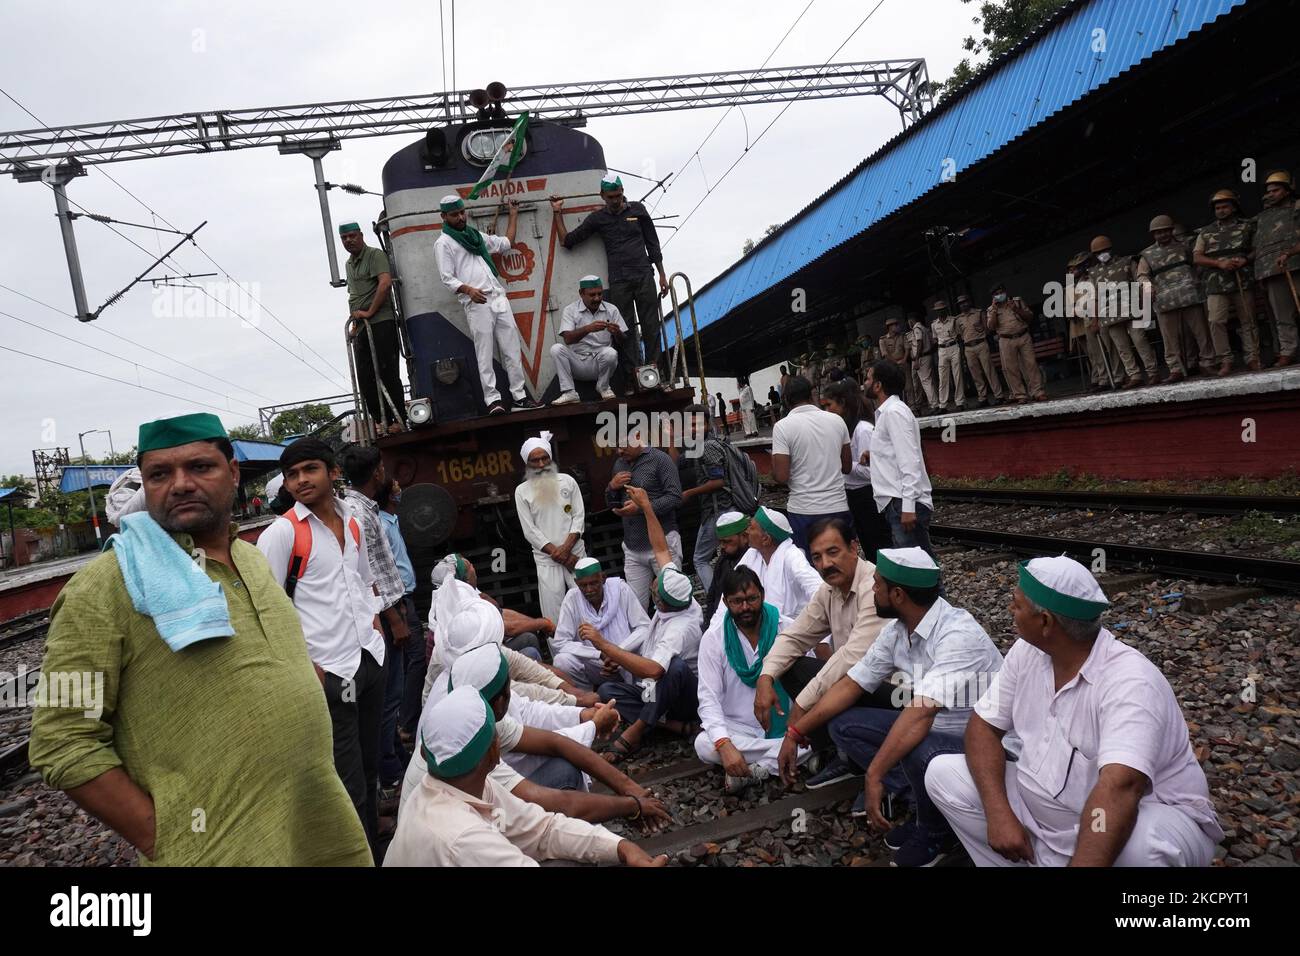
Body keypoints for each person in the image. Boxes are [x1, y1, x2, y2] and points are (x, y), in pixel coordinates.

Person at [31, 414, 372, 866]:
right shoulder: (101, 588)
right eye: (159, 474)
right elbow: (60, 739)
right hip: (220, 850)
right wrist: (166, 841)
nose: (179, 484)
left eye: (199, 467)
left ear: (232, 473)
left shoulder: (251, 560)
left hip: (318, 825)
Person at [927, 556, 1224, 867]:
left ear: (1045, 622)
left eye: (1016, 604)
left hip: (1122, 817)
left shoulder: (1130, 681)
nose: (1011, 611)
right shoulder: (1028, 650)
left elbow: (1120, 788)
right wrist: (998, 813)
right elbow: (983, 727)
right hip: (1043, 813)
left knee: (1144, 845)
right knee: (943, 775)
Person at [779, 548, 1005, 866]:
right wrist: (795, 731)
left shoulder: (958, 635)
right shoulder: (898, 630)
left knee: (915, 740)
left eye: (877, 585)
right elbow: (851, 684)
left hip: (986, 749)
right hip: (936, 734)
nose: (872, 591)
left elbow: (921, 713)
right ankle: (928, 804)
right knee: (844, 725)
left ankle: (936, 831)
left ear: (897, 595)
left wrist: (875, 774)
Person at [256, 437, 391, 851]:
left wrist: (375, 627)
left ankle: (373, 844)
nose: (300, 481)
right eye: (292, 475)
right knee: (346, 779)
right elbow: (265, 611)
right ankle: (357, 854)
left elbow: (364, 579)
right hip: (328, 673)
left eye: (309, 470)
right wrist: (308, 668)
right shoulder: (282, 534)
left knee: (369, 768)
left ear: (333, 473)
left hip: (367, 659)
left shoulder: (351, 520)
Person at [384, 687, 668, 866]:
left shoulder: (461, 785)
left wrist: (620, 846)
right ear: (493, 752)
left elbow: (542, 829)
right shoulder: (462, 838)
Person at [403, 643, 671, 831]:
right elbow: (554, 802)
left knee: (564, 770)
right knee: (562, 846)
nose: (517, 693)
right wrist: (631, 806)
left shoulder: (474, 713)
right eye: (512, 688)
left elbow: (556, 743)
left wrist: (628, 786)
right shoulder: (471, 748)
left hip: (466, 822)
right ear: (501, 701)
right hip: (459, 840)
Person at [750, 518, 884, 780]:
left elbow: (851, 657)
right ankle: (838, 752)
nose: (825, 564)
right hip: (852, 682)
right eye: (817, 557)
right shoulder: (829, 590)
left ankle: (870, 767)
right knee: (792, 667)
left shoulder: (875, 588)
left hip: (891, 689)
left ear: (854, 547)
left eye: (833, 552)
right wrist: (765, 678)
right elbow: (795, 637)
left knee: (835, 683)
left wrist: (801, 706)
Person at [591, 485, 703, 763]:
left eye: (654, 589)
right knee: (607, 691)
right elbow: (661, 547)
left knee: (672, 668)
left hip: (682, 697)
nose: (653, 583)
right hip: (654, 691)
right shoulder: (676, 586)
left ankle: (638, 731)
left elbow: (654, 670)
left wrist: (606, 646)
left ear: (662, 602)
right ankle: (670, 726)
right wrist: (647, 507)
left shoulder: (682, 626)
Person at [338, 444, 413, 794]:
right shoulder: (359, 512)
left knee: (390, 698)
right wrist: (393, 618)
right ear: (378, 472)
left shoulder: (361, 508)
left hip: (388, 609)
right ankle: (389, 775)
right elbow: (367, 575)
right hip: (386, 611)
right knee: (388, 700)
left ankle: (395, 762)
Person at [695, 566, 810, 790]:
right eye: (737, 601)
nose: (746, 607)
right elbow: (708, 699)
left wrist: (796, 728)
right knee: (704, 744)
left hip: (788, 724)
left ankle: (755, 770)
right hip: (739, 728)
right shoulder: (713, 639)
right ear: (726, 603)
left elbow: (812, 681)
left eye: (751, 599)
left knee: (813, 735)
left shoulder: (786, 628)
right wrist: (725, 744)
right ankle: (780, 761)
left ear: (763, 595)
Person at [551, 173, 668, 386]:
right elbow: (567, 241)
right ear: (602, 195)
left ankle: (656, 377)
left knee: (652, 326)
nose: (616, 200)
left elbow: (653, 243)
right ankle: (634, 380)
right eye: (611, 197)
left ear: (623, 193)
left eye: (619, 195)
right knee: (624, 331)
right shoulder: (598, 219)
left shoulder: (638, 210)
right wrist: (557, 212)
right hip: (619, 281)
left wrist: (662, 274)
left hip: (644, 275)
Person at [433, 195, 541, 415]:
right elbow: (447, 278)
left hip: (498, 296)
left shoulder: (475, 236)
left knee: (512, 349)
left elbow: (505, 243)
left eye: (462, 212)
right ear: (444, 217)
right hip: (477, 300)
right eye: (455, 214)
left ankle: (519, 397)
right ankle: (493, 401)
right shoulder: (443, 243)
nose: (461, 217)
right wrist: (469, 290)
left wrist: (512, 215)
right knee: (484, 352)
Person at [770, 374, 852, 556]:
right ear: (811, 394)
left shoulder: (782, 427)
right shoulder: (837, 421)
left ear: (786, 399)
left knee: (811, 570)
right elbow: (847, 467)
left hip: (803, 511)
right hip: (837, 506)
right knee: (842, 564)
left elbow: (781, 476)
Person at [865, 360, 936, 556]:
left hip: (902, 501)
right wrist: (873, 455)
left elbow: (909, 460)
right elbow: (896, 452)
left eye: (868, 378)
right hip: (896, 501)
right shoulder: (887, 412)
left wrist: (908, 507)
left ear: (878, 385)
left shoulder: (894, 412)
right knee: (916, 568)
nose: (865, 383)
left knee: (918, 569)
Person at [341, 222, 406, 434]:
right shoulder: (349, 264)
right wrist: (356, 324)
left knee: (388, 371)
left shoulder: (375, 255)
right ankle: (380, 420)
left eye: (352, 236)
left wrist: (369, 312)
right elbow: (355, 295)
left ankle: (398, 419)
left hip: (382, 322)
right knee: (365, 377)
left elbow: (385, 284)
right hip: (362, 327)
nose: (349, 240)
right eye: (344, 238)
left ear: (360, 235)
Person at [376, 477, 426, 752]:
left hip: (404, 597)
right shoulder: (382, 524)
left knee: (410, 659)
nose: (400, 490)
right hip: (400, 599)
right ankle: (407, 723)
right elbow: (386, 568)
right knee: (415, 658)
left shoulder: (391, 520)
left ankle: (405, 720)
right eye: (395, 487)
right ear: (390, 496)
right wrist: (398, 609)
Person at [513, 434, 586, 622]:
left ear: (551, 458)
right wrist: (560, 555)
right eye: (535, 460)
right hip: (548, 561)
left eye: (544, 458)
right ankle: (560, 652)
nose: (541, 464)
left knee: (589, 606)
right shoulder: (522, 491)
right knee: (555, 616)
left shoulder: (568, 481)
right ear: (527, 463)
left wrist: (567, 550)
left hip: (575, 556)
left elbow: (578, 518)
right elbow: (530, 531)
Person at [1134, 217, 1216, 383]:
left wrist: (1195, 281)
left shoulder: (1186, 246)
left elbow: (1198, 265)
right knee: (1169, 339)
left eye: (1165, 230)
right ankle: (1175, 369)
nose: (1162, 234)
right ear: (1153, 235)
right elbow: (1141, 275)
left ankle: (1208, 363)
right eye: (1158, 232)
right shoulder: (1147, 254)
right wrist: (1148, 287)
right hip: (1164, 300)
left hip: (1189, 296)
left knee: (1201, 333)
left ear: (1171, 230)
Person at [606, 432, 683, 608]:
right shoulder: (619, 464)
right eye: (616, 447)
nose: (619, 451)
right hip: (633, 546)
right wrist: (611, 487)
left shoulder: (660, 459)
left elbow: (675, 497)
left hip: (663, 543)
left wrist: (641, 508)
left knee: (672, 599)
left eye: (623, 445)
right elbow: (611, 500)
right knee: (635, 608)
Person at [551, 557, 652, 690]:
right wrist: (599, 655)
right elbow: (560, 643)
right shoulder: (572, 598)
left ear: (603, 578)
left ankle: (648, 700)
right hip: (598, 664)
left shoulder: (620, 589)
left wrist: (617, 653)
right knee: (561, 661)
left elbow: (644, 627)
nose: (589, 590)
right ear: (576, 583)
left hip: (628, 658)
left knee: (649, 649)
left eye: (593, 583)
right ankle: (589, 702)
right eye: (583, 585)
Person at [1194, 189, 1260, 375]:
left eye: (1225, 206)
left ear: (1233, 207)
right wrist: (1219, 263)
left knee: (1248, 319)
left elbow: (1257, 248)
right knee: (1216, 321)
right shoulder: (1205, 232)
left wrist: (1245, 260)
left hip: (1242, 278)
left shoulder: (1248, 226)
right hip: (1216, 283)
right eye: (1217, 208)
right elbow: (1197, 257)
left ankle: (1252, 357)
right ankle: (1226, 360)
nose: (1221, 210)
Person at [824, 379, 891, 560]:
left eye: (829, 405)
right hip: (855, 496)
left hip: (868, 496)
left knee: (878, 543)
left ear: (843, 404)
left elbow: (872, 472)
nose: (827, 410)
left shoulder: (863, 430)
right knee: (868, 543)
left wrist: (844, 465)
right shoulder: (847, 428)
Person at [1089, 235, 1161, 388]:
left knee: (1140, 341)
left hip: (1132, 309)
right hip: (1109, 315)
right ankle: (1134, 375)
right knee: (1122, 348)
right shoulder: (1094, 273)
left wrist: (1145, 305)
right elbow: (1094, 298)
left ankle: (1153, 372)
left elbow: (1139, 283)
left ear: (1110, 249)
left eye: (1104, 250)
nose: (1102, 254)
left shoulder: (1127, 262)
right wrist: (1095, 321)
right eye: (1098, 253)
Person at [734, 505, 824, 619]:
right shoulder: (752, 554)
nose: (746, 531)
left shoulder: (792, 556)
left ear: (766, 539)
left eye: (751, 528)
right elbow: (733, 586)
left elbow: (818, 589)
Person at [679, 406, 731, 595]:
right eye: (690, 425)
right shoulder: (699, 446)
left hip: (718, 511)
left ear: (708, 424)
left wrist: (690, 493)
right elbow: (676, 461)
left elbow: (718, 481)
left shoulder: (707, 447)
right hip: (720, 510)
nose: (694, 429)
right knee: (729, 555)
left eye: (698, 424)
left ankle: (715, 600)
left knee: (700, 559)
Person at [551, 275, 626, 404]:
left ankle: (603, 387)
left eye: (599, 294)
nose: (597, 298)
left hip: (601, 364)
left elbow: (623, 341)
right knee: (556, 349)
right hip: (578, 363)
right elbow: (568, 339)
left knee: (611, 353)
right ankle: (569, 392)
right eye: (592, 295)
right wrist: (587, 329)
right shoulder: (570, 310)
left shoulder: (611, 309)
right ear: (581, 293)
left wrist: (617, 332)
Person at [1251, 170, 1300, 367]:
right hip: (1273, 271)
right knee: (1282, 315)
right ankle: (1288, 351)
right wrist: (1260, 274)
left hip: (1296, 265)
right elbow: (1259, 247)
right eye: (1269, 191)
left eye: (1276, 190)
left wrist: (1290, 253)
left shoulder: (1297, 208)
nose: (1270, 194)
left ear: (1287, 191)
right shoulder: (1262, 218)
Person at [985, 282, 1047, 403]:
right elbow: (991, 327)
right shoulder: (991, 309)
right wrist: (994, 310)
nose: (999, 295)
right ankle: (1020, 395)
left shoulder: (1017, 301)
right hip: (1005, 339)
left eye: (1001, 292)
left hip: (1023, 336)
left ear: (1005, 291)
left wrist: (1016, 309)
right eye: (996, 294)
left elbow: (1029, 317)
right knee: (1011, 368)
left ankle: (1038, 392)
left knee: (1031, 364)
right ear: (993, 297)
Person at [954, 293, 1004, 406]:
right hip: (968, 347)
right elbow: (959, 335)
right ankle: (983, 398)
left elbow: (987, 329)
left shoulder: (979, 312)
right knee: (976, 374)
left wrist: (981, 332)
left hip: (981, 344)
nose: (963, 305)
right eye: (961, 304)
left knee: (989, 371)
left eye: (965, 302)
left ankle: (999, 395)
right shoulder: (958, 319)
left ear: (969, 302)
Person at [704, 511, 751, 627]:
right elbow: (712, 596)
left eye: (727, 541)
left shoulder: (754, 562)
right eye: (721, 542)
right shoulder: (723, 561)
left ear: (744, 537)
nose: (723, 546)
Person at [930, 299, 966, 411]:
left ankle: (959, 402)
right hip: (942, 350)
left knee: (957, 375)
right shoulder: (934, 324)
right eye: (938, 310)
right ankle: (943, 405)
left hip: (953, 347)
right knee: (943, 378)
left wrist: (961, 351)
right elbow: (935, 339)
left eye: (942, 309)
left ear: (945, 309)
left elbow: (960, 336)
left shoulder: (953, 320)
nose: (940, 311)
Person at [906, 314, 939, 414]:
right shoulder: (925, 328)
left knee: (926, 381)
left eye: (909, 321)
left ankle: (934, 405)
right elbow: (933, 343)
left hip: (921, 357)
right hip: (927, 355)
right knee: (928, 380)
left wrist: (916, 359)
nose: (909, 324)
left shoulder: (917, 328)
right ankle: (933, 403)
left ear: (911, 320)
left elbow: (920, 343)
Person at [878, 318, 912, 406]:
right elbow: (885, 354)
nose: (897, 326)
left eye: (897, 324)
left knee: (908, 387)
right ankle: (899, 406)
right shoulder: (883, 339)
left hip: (903, 363)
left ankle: (912, 406)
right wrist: (896, 363)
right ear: (889, 327)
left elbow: (907, 349)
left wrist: (904, 359)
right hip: (891, 366)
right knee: (895, 388)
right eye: (895, 325)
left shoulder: (902, 336)